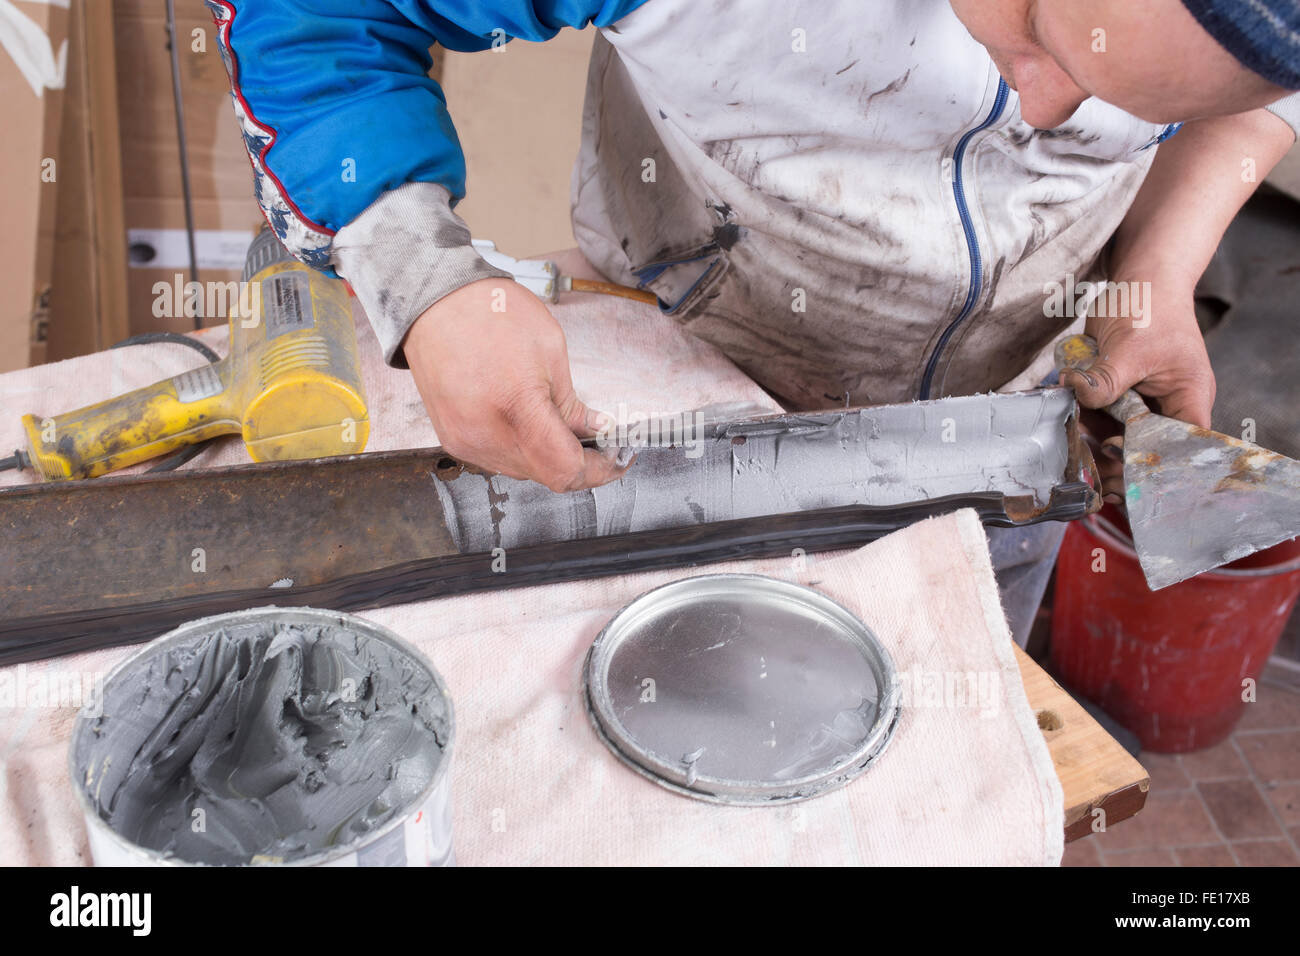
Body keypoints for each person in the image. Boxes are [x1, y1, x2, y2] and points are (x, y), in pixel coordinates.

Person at [206, 0, 1300, 644]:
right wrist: (427, 280)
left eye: (1130, 100)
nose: (1048, 109)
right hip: (671, 406)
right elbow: (322, 16)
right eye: (1040, 32)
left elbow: (1251, 102)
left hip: (1015, 426)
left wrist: (1156, 273)